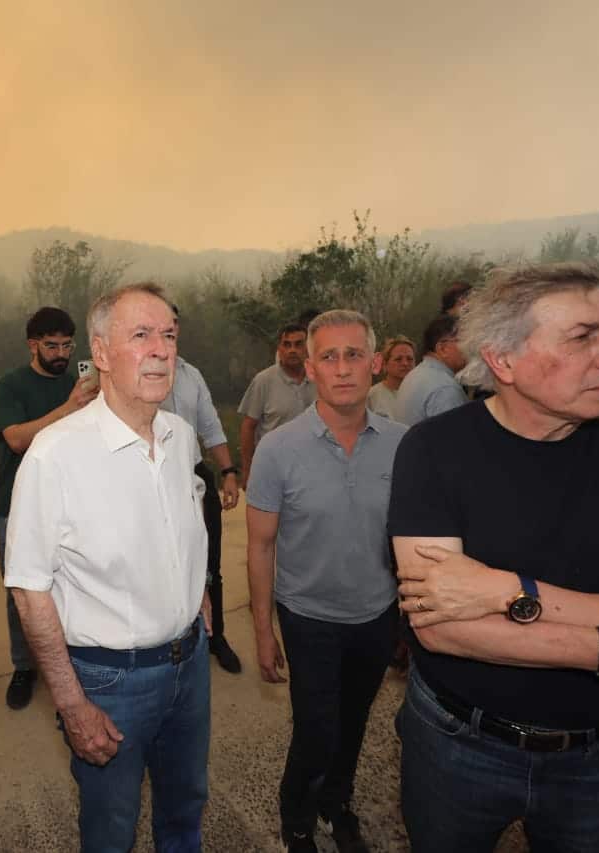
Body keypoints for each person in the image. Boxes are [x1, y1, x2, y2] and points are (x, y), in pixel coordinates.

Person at [388, 262, 599, 853]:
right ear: (503, 361)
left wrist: (503, 591)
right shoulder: (434, 450)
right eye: (583, 336)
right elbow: (441, 632)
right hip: (458, 740)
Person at [6, 282, 211, 853]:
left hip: (190, 666)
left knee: (186, 805)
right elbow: (29, 589)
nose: (161, 350)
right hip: (109, 682)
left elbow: (185, 528)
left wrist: (198, 595)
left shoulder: (180, 435)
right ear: (99, 354)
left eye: (168, 335)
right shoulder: (55, 454)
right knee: (111, 828)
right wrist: (72, 704)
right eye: (140, 335)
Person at [247, 309, 407, 852]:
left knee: (356, 722)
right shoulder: (278, 450)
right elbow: (260, 545)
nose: (342, 369)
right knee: (316, 730)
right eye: (329, 357)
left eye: (354, 355)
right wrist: (264, 631)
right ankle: (296, 818)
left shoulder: (404, 445)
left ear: (376, 365)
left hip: (377, 614)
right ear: (309, 368)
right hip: (308, 616)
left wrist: (410, 615)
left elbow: (411, 543)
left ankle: (337, 802)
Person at [0, 306, 98, 709]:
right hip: (17, 505)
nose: (61, 353)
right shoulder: (10, 385)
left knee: (72, 585)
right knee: (21, 590)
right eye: (51, 345)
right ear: (32, 345)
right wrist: (71, 407)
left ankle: (71, 662)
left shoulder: (79, 384)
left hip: (73, 502)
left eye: (67, 345)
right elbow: (17, 439)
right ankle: (23, 667)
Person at [162, 305, 242, 674]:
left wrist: (228, 471)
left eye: (173, 324)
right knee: (164, 564)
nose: (169, 330)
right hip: (155, 479)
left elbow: (210, 426)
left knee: (210, 563)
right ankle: (170, 642)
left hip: (194, 474)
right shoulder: (136, 373)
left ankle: (217, 636)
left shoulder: (191, 374)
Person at [238, 322, 315, 488]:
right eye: (286, 345)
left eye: (298, 344)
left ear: (308, 348)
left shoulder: (320, 380)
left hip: (313, 470)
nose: (292, 350)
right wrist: (248, 470)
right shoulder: (263, 381)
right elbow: (248, 427)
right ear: (279, 349)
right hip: (272, 470)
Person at [391, 313, 468, 426]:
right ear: (442, 349)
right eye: (464, 341)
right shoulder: (445, 389)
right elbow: (454, 441)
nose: (470, 347)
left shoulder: (417, 374)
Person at [366, 335, 416, 420]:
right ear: (385, 364)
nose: (405, 363)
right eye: (398, 359)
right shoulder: (372, 396)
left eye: (410, 359)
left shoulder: (421, 393)